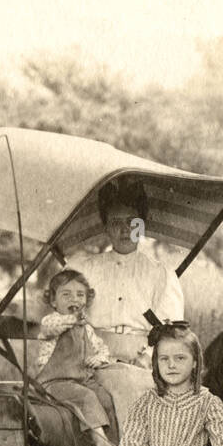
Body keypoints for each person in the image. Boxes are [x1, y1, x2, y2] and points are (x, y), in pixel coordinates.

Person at [66, 179, 184, 423]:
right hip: (93, 359)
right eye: (116, 223)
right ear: (106, 228)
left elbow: (172, 333)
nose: (124, 230)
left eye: (132, 223)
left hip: (147, 361)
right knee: (124, 383)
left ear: (142, 226)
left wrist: (146, 358)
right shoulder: (86, 270)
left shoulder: (160, 274)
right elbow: (68, 320)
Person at [34, 269, 120, 446]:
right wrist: (74, 319)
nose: (74, 299)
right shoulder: (52, 320)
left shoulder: (86, 328)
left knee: (106, 398)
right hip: (54, 382)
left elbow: (103, 349)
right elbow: (51, 328)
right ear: (54, 302)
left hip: (82, 380)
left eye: (80, 295)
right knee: (86, 397)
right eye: (66, 295)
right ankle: (99, 444)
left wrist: (98, 358)